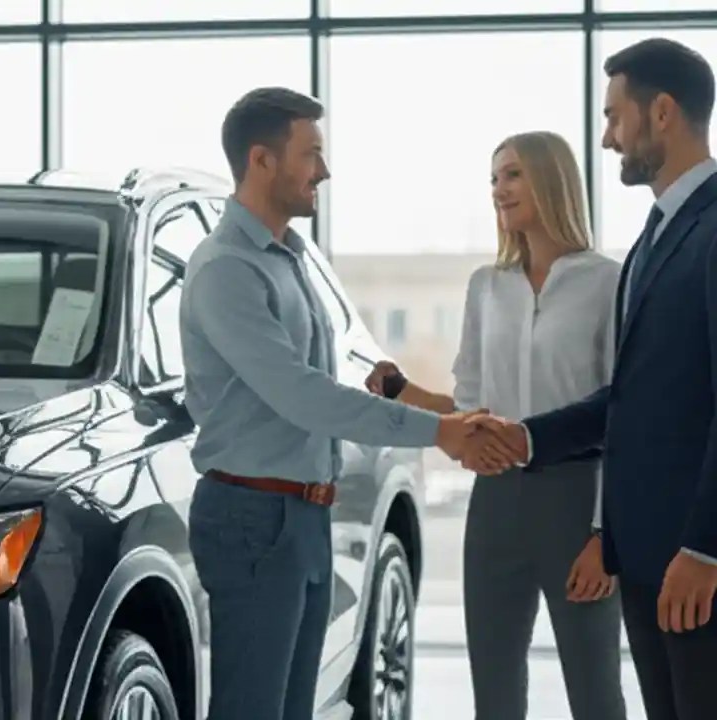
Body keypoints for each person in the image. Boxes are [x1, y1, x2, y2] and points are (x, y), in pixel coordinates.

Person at [179, 86, 481, 720]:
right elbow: (303, 395)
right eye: (310, 154)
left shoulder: (290, 260)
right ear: (262, 160)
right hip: (252, 519)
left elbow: (329, 373)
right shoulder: (227, 269)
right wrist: (438, 432)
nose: (324, 171)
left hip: (303, 518)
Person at [466, 38, 717, 720]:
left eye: (614, 117)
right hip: (645, 558)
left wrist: (705, 545)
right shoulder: (654, 239)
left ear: (660, 112)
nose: (606, 139)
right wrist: (525, 438)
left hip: (690, 559)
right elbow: (628, 401)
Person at [364, 130, 628, 720]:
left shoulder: (607, 282)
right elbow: (471, 407)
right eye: (493, 178)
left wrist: (603, 535)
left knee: (596, 694)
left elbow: (622, 412)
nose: (498, 190)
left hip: (576, 503)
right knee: (495, 694)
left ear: (550, 180)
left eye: (512, 175)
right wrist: (403, 391)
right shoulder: (487, 286)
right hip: (495, 507)